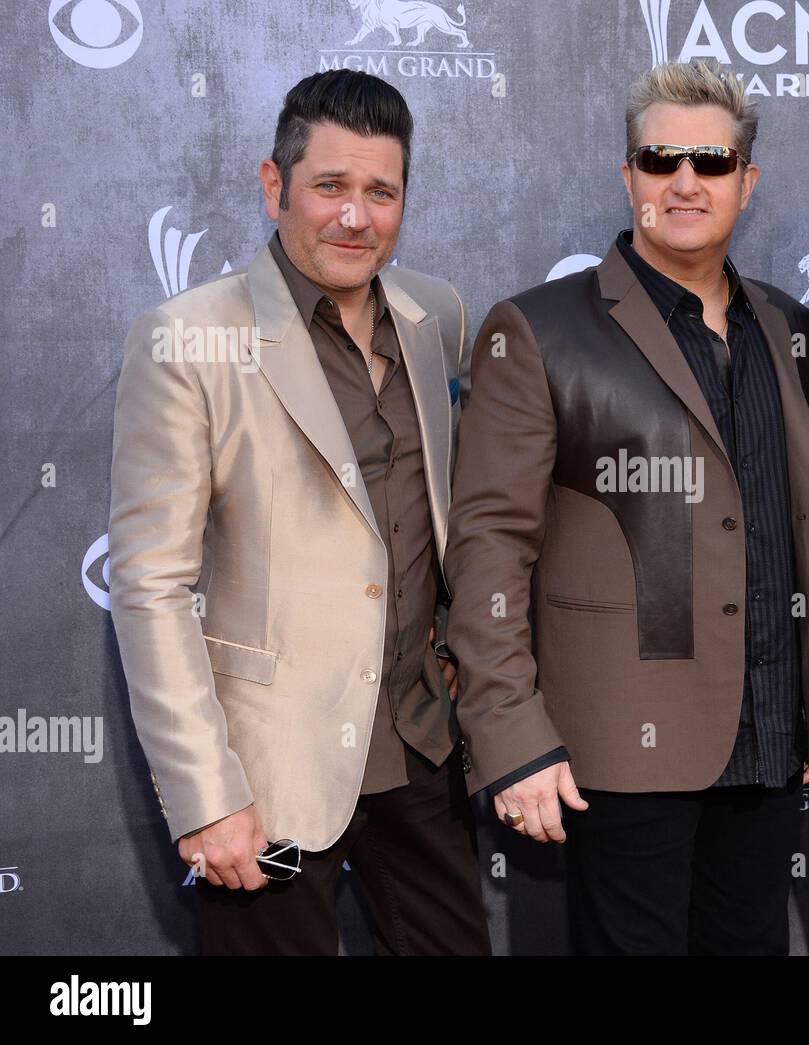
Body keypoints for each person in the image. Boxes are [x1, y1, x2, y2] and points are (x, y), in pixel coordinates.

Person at [444, 59, 809, 955]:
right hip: (618, 755)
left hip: (770, 741)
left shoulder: (792, 331)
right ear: (627, 174)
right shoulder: (541, 328)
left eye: (710, 162)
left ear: (748, 181)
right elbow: (487, 553)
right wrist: (512, 737)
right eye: (658, 159)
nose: (683, 182)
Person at [108, 69, 488, 955]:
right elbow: (151, 585)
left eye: (380, 192)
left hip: (420, 745)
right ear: (275, 185)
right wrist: (208, 794)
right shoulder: (188, 339)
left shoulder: (437, 316)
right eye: (330, 187)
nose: (356, 217)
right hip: (267, 773)